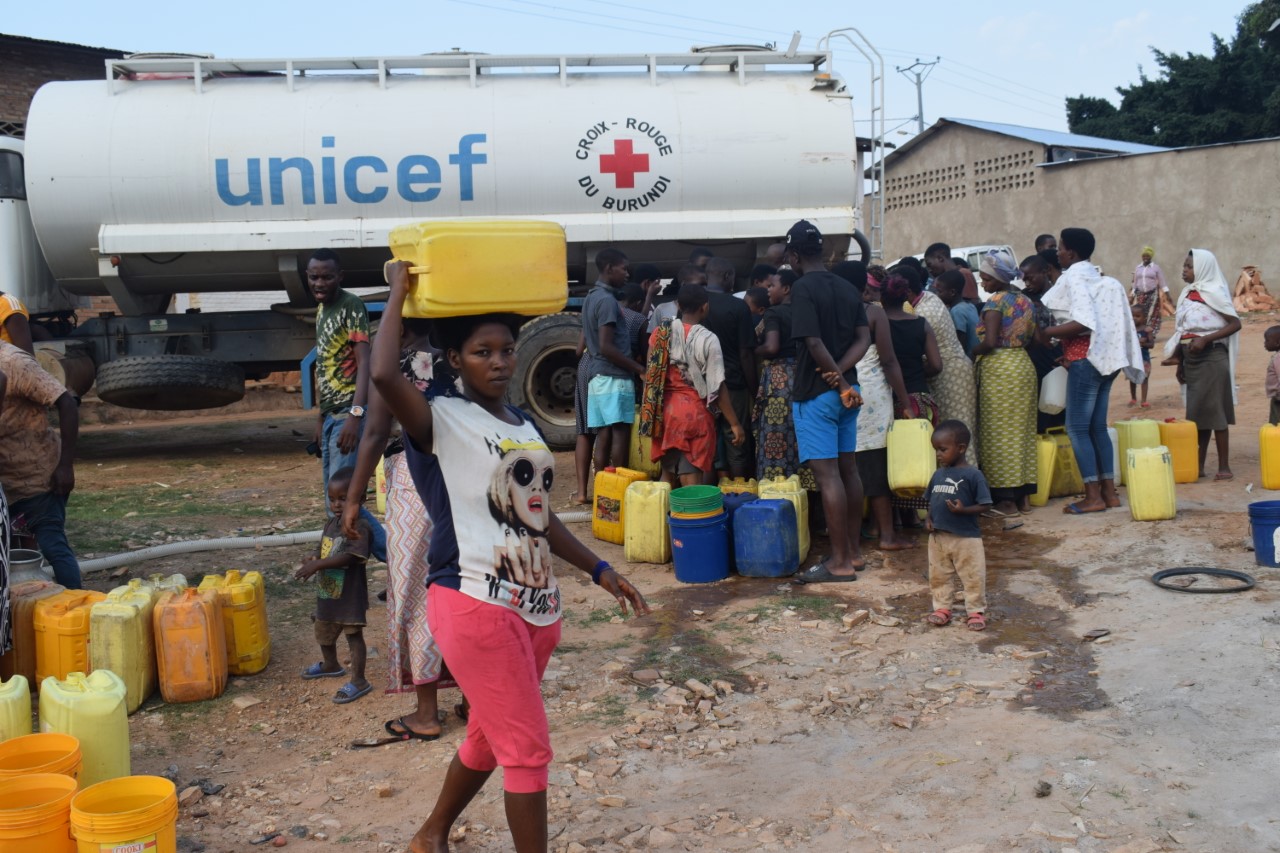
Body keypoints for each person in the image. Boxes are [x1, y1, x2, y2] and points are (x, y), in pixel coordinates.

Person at [374, 262, 649, 853]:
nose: (499, 362)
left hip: (536, 606)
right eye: (483, 352)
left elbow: (538, 515)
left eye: (506, 350)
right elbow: (382, 375)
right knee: (526, 750)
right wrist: (397, 291)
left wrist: (600, 570)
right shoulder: (437, 420)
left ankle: (430, 835)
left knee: (488, 735)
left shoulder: (521, 422)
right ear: (455, 360)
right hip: (474, 601)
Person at [343, 317, 457, 739]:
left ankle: (427, 713)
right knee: (465, 589)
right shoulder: (460, 360)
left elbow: (375, 433)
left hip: (414, 482)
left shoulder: (394, 368)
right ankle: (473, 699)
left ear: (400, 330)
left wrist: (353, 499)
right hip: (462, 479)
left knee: (417, 593)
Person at [783, 220, 871, 583]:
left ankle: (839, 563)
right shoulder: (847, 287)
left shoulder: (803, 288)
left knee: (828, 476)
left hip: (817, 394)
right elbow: (864, 339)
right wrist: (843, 377)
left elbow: (813, 342)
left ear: (794, 255)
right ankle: (853, 553)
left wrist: (835, 378)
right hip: (848, 394)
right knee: (849, 470)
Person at [1043, 228, 1144, 514]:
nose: (1058, 253)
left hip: (1085, 359)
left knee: (1077, 429)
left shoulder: (1075, 277)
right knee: (1097, 427)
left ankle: (1093, 497)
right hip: (1107, 359)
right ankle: (1109, 493)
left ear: (1071, 252)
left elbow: (1083, 322)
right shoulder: (1101, 279)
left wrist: (1046, 333)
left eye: (1060, 248)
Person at [308, 248, 387, 561]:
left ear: (340, 277)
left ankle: (393, 560)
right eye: (314, 277)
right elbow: (326, 366)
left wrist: (355, 415)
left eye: (327, 277)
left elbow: (364, 362)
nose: (320, 283)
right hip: (332, 415)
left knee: (346, 500)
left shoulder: (350, 305)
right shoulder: (322, 309)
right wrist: (320, 417)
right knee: (335, 501)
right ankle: (343, 563)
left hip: (347, 413)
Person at [831, 261, 914, 550]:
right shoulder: (873, 313)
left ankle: (850, 539)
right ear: (863, 286)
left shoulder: (828, 311)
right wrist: (905, 402)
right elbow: (889, 361)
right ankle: (887, 536)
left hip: (839, 390)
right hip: (872, 395)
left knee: (846, 468)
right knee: (876, 466)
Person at [641, 285, 745, 486]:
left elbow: (651, 374)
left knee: (667, 476)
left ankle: (661, 508)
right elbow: (717, 386)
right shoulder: (708, 339)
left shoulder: (659, 334)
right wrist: (734, 423)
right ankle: (687, 509)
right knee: (691, 481)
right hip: (694, 417)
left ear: (678, 305)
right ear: (705, 307)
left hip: (665, 414)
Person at [0, 341, 80, 588]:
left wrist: (65, 465)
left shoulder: (15, 363)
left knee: (53, 546)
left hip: (38, 478)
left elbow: (67, 403)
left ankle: (78, 603)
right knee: (15, 555)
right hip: (5, 485)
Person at [296, 467, 373, 704]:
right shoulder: (331, 524)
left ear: (360, 498)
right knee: (324, 631)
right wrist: (312, 558)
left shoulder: (360, 526)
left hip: (349, 597)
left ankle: (359, 680)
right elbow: (323, 549)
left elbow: (351, 556)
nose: (336, 504)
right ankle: (331, 664)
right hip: (328, 592)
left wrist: (318, 565)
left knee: (353, 636)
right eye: (332, 499)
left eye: (343, 498)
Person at [972, 249, 1038, 516]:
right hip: (1022, 364)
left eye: (987, 278)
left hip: (1000, 370)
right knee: (1022, 432)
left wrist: (970, 353)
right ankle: (1024, 497)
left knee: (998, 434)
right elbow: (1035, 337)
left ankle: (1006, 500)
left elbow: (989, 342)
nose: (983, 283)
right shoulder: (1025, 300)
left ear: (999, 278)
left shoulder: (995, 302)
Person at [1166, 249, 1242, 480]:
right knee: (1197, 413)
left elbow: (1235, 323)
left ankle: (1224, 468)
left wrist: (1206, 339)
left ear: (1203, 269)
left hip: (1212, 357)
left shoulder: (1214, 292)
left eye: (1190, 266)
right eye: (1185, 265)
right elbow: (1184, 331)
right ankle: (1197, 466)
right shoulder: (1187, 294)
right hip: (1192, 359)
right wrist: (1180, 362)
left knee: (1216, 411)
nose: (1184, 270)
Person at [896, 265, 977, 461]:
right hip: (953, 371)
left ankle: (965, 478)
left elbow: (932, 363)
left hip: (950, 376)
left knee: (956, 438)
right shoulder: (928, 298)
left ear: (907, 292)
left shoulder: (923, 314)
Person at [924, 420, 992, 631]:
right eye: (936, 449)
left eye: (943, 449)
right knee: (939, 575)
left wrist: (963, 510)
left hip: (966, 539)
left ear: (961, 448)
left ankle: (975, 611)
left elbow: (985, 504)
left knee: (973, 576)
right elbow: (931, 500)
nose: (938, 454)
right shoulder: (938, 474)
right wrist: (928, 518)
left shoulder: (973, 475)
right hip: (938, 537)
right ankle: (942, 608)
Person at [582, 248, 643, 472]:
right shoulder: (607, 301)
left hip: (597, 378)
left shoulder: (591, 298)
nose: (627, 274)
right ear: (609, 268)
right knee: (620, 434)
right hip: (614, 378)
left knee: (603, 436)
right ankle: (620, 485)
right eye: (623, 269)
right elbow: (606, 346)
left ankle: (603, 487)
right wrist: (639, 369)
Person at [753, 270, 814, 491]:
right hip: (806, 375)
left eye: (772, 286)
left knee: (776, 437)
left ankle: (776, 490)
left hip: (780, 379)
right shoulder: (807, 311)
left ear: (786, 289)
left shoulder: (774, 312)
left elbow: (772, 347)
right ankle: (807, 493)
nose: (767, 290)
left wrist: (753, 350)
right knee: (804, 436)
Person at [703, 257, 757, 479]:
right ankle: (738, 490)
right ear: (727, 276)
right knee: (737, 440)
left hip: (700, 387)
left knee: (706, 443)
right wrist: (754, 389)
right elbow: (746, 353)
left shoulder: (694, 304)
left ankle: (707, 495)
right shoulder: (738, 307)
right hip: (733, 384)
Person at [881, 275, 942, 423]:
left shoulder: (877, 325)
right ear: (905, 297)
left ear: (881, 297)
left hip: (887, 399)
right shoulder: (922, 324)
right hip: (919, 398)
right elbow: (936, 365)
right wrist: (917, 372)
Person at [933, 270, 979, 358]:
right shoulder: (970, 306)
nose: (937, 295)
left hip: (968, 357)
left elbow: (960, 342)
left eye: (939, 291)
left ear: (952, 292)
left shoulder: (957, 311)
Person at [1130, 246, 1169, 345]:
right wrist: (1132, 293)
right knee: (1141, 314)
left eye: (1147, 256)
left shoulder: (1155, 267)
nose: (1145, 257)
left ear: (1151, 256)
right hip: (1140, 294)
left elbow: (1162, 281)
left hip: (1152, 294)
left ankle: (1151, 333)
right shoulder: (1138, 268)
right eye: (1144, 256)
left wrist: (1167, 293)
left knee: (1152, 314)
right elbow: (1135, 281)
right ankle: (1141, 332)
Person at [1129, 304, 1155, 408]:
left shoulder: (1147, 330)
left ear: (1144, 317)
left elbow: (1151, 345)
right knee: (1132, 378)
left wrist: (1143, 343)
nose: (1135, 318)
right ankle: (1133, 398)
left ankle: (1144, 400)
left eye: (1138, 316)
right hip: (1132, 359)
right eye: (1132, 315)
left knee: (1144, 379)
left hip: (1144, 359)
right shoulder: (1130, 330)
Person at [1266, 326, 1280, 426]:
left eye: (1267, 340)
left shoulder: (1278, 358)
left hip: (1279, 398)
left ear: (1277, 343)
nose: (1264, 343)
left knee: (1276, 425)